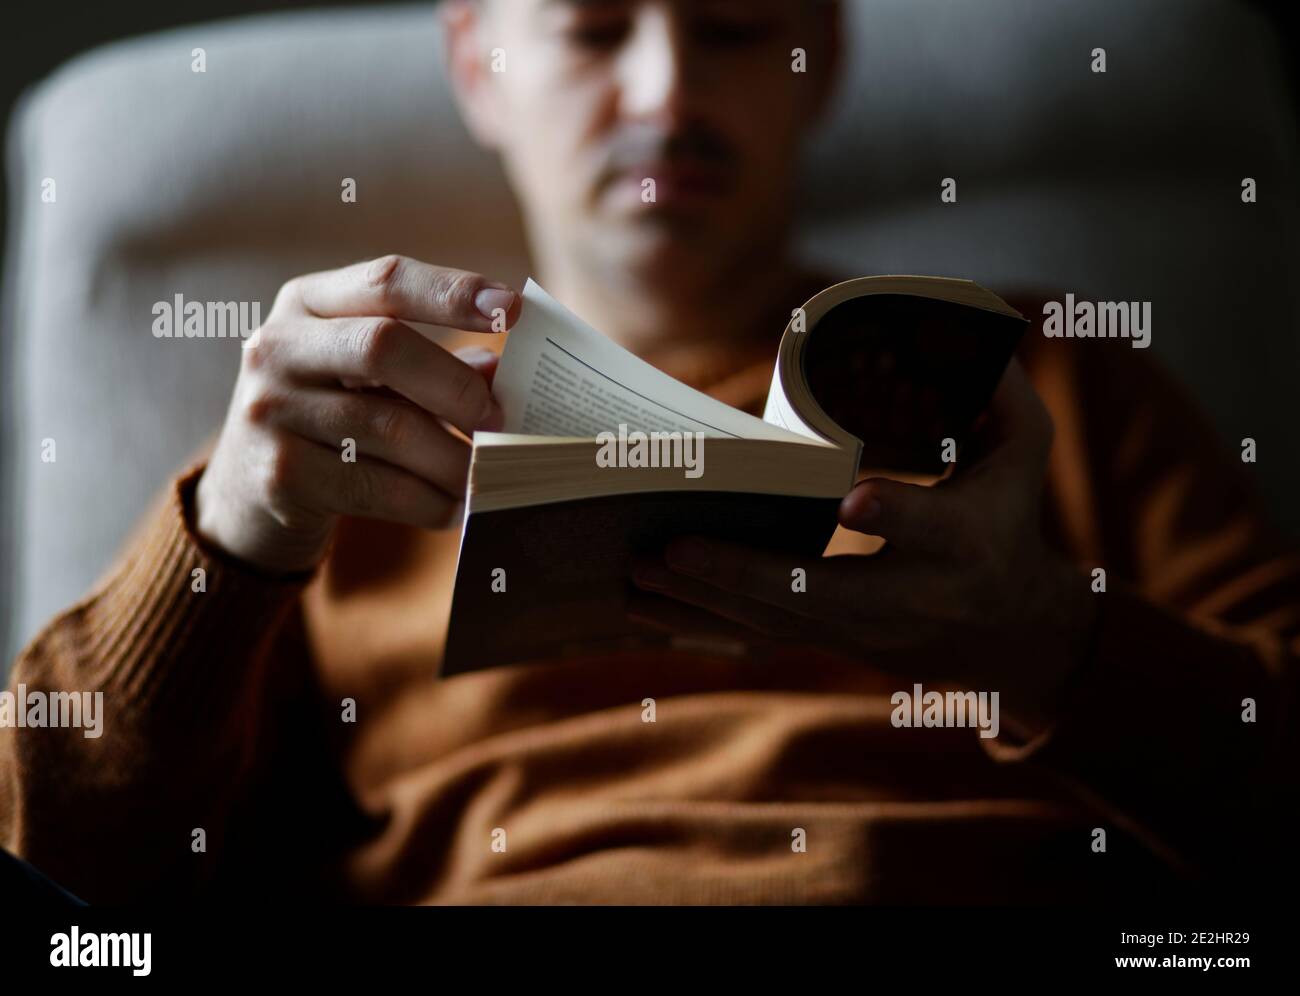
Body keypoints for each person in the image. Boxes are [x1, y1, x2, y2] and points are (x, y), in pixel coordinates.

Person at [2, 0, 1295, 904]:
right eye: (592, 26)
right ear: (478, 61)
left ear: (822, 54)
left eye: (735, 31)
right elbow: (68, 864)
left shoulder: (1039, 379)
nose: (669, 92)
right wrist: (227, 539)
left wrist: (1040, 644)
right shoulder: (347, 433)